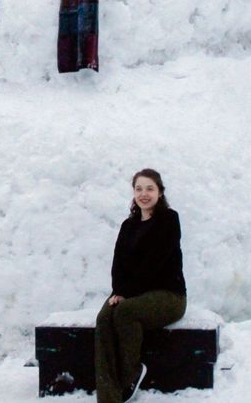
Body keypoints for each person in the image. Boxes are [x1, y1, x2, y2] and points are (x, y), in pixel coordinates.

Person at [94, 168, 187, 403]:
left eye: (149, 189)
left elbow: (155, 263)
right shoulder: (129, 226)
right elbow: (118, 264)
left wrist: (126, 294)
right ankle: (108, 397)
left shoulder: (169, 220)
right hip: (130, 293)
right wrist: (118, 291)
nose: (143, 194)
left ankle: (131, 374)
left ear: (160, 192)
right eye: (139, 189)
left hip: (168, 295)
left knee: (125, 311)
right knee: (104, 318)